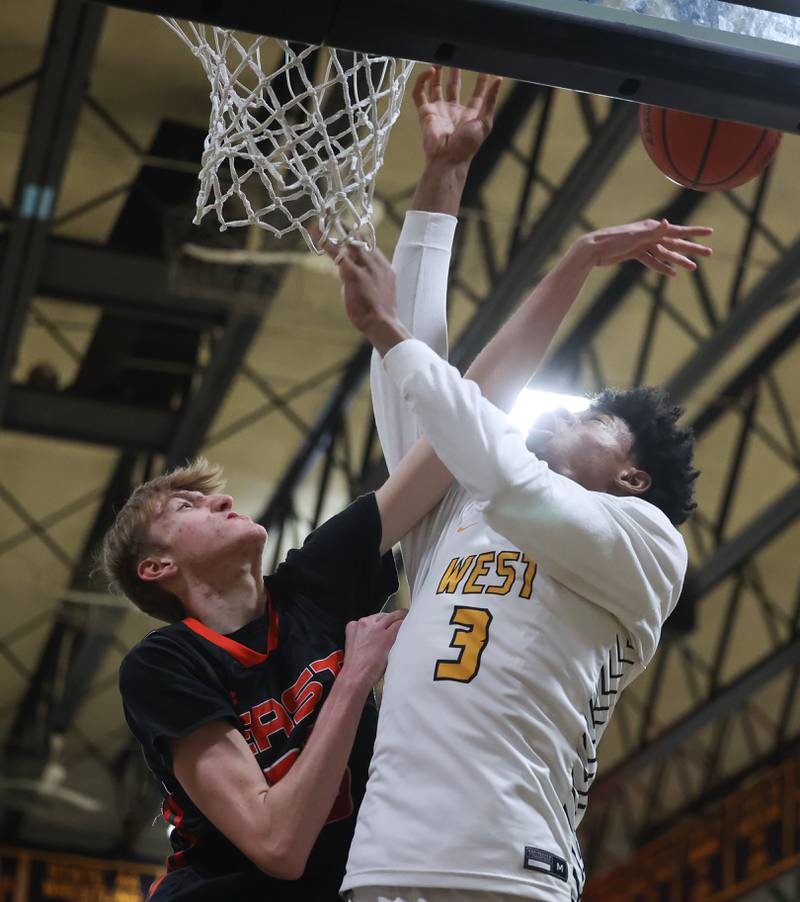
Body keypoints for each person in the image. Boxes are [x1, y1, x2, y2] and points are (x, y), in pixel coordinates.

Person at [103, 72, 501, 902]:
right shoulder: (167, 663)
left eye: (212, 493)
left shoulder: (315, 581)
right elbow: (277, 846)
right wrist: (353, 679)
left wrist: (446, 174)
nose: (220, 499)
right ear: (156, 568)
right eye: (187, 506)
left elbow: (448, 434)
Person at [328, 67, 711, 902]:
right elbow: (418, 388)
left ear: (632, 476)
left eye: (592, 418)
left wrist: (389, 332)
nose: (563, 410)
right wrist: (444, 175)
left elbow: (488, 447)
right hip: (383, 862)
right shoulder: (464, 507)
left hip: (510, 866)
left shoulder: (645, 547)